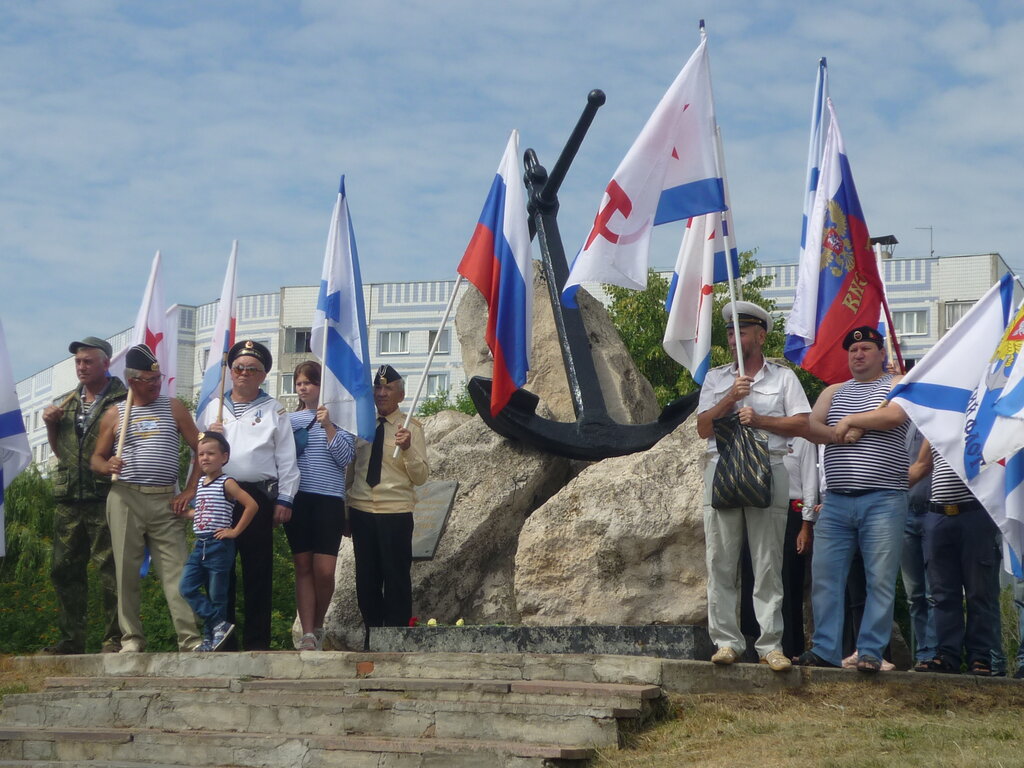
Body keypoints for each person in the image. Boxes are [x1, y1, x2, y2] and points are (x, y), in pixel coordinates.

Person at [697, 301, 810, 672]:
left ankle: (770, 645)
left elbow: (801, 425)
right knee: (721, 560)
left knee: (766, 562)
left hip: (768, 468)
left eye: (741, 332)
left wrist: (761, 419)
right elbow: (702, 429)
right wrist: (730, 397)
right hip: (723, 468)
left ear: (760, 336)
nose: (733, 339)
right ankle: (727, 642)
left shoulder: (783, 378)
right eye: (730, 332)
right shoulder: (716, 378)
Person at [799, 326, 910, 673]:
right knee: (826, 578)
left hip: (884, 498)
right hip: (836, 502)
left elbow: (894, 416)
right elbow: (810, 426)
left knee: (879, 578)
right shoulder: (832, 391)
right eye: (853, 350)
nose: (858, 354)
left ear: (881, 354)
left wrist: (851, 420)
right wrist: (835, 433)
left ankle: (870, 651)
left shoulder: (897, 387)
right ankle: (826, 649)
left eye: (865, 348)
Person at [90, 343, 202, 653]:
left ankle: (190, 639)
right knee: (125, 571)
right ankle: (132, 639)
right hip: (126, 497)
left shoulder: (174, 406)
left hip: (167, 499)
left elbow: (201, 449)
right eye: (148, 381)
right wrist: (107, 465)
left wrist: (191, 490)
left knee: (177, 570)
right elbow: (96, 459)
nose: (155, 385)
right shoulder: (115, 414)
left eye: (158, 380)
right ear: (131, 381)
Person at [196, 339, 299, 650]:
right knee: (218, 571)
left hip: (256, 496)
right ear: (230, 371)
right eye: (238, 368)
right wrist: (211, 434)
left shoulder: (274, 410)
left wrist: (285, 498)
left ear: (263, 374)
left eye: (251, 369)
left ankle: (257, 643)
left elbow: (286, 458)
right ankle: (221, 640)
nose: (243, 374)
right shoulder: (212, 409)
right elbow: (198, 456)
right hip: (217, 494)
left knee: (257, 570)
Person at [40, 336, 126, 655]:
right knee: (64, 568)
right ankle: (70, 638)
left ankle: (114, 638)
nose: (81, 367)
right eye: (77, 362)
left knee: (110, 568)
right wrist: (51, 426)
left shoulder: (123, 399)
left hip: (105, 494)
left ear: (106, 363)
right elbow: (62, 452)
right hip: (69, 496)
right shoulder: (67, 402)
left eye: (88, 361)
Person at [347, 364, 429, 650]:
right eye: (377, 388)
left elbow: (420, 477)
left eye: (388, 388)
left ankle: (395, 638)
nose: (381, 393)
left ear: (401, 395)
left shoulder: (410, 428)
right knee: (366, 579)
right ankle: (372, 634)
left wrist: (406, 449)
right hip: (361, 510)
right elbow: (350, 468)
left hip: (395, 512)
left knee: (396, 577)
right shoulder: (360, 424)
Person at [909, 440, 1002, 675]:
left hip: (976, 513)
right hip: (938, 515)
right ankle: (946, 655)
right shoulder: (939, 422)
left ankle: (980, 657)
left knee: (980, 591)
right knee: (942, 592)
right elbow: (922, 464)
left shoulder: (982, 418)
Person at [285, 360, 355, 651]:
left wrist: (328, 426)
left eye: (309, 382)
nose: (303, 388)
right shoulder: (288, 421)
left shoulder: (342, 420)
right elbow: (282, 460)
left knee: (324, 570)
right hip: (299, 498)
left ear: (321, 386)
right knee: (303, 565)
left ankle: (318, 623)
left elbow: (344, 458)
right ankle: (307, 633)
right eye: (299, 383)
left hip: (329, 499)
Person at [179, 431, 258, 652]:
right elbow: (202, 512)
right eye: (201, 454)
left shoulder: (227, 482)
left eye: (211, 454)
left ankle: (210, 639)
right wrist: (181, 513)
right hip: (200, 544)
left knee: (217, 595)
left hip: (219, 544)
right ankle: (218, 624)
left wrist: (235, 531)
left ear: (224, 457)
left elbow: (252, 505)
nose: (205, 458)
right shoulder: (201, 484)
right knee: (186, 587)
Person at [902, 424, 938, 672]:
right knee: (914, 594)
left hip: (934, 512)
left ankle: (936, 653)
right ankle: (923, 653)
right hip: (904, 513)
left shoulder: (937, 416)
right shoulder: (898, 419)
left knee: (933, 590)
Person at [781, 436, 818, 659]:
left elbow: (809, 483)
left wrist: (806, 524)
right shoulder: (758, 427)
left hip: (793, 510)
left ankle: (792, 647)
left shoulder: (803, 439)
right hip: (761, 508)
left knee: (791, 580)